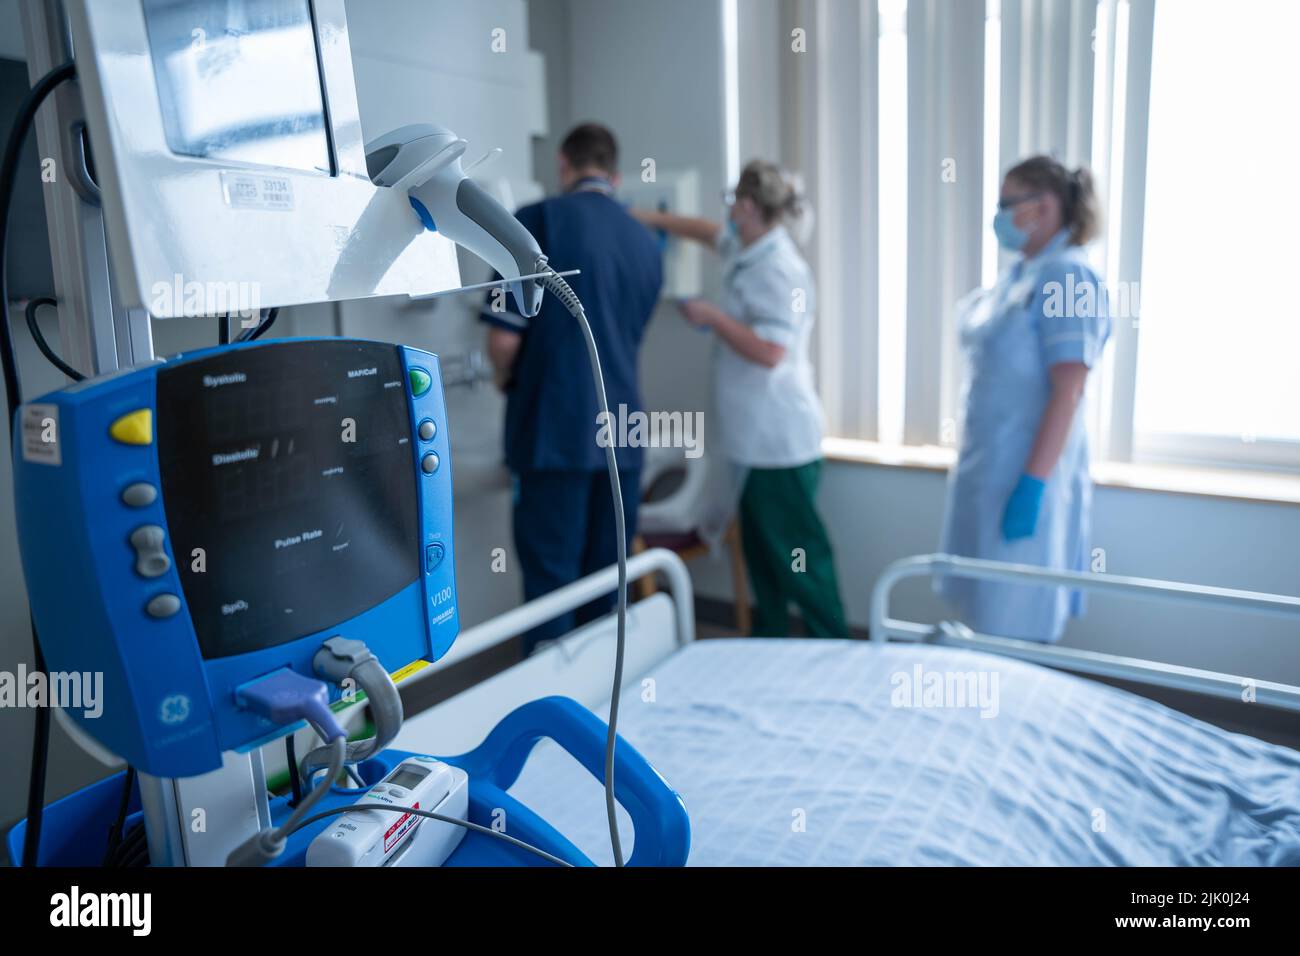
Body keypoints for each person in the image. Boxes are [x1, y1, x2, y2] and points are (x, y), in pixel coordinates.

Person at [633, 161, 849, 638]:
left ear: (748, 207)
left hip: (779, 443)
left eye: (733, 202)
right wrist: (649, 218)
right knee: (763, 558)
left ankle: (836, 647)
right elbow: (709, 233)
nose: (727, 211)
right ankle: (769, 647)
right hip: (752, 440)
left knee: (798, 558)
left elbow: (773, 351)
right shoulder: (749, 248)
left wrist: (714, 317)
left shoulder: (780, 269)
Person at [480, 123, 663, 654]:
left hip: (553, 435)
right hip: (623, 436)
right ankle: (598, 715)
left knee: (550, 589)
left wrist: (504, 381)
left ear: (563, 163)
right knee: (607, 586)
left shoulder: (531, 226)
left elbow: (502, 342)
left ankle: (550, 713)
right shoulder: (645, 243)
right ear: (615, 173)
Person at [938, 155, 1111, 643]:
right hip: (987, 472)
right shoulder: (1021, 275)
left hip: (1025, 478)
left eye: (1006, 204)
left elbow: (1069, 388)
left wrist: (1032, 486)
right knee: (983, 617)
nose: (999, 216)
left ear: (1044, 205)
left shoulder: (1070, 278)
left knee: (1013, 621)